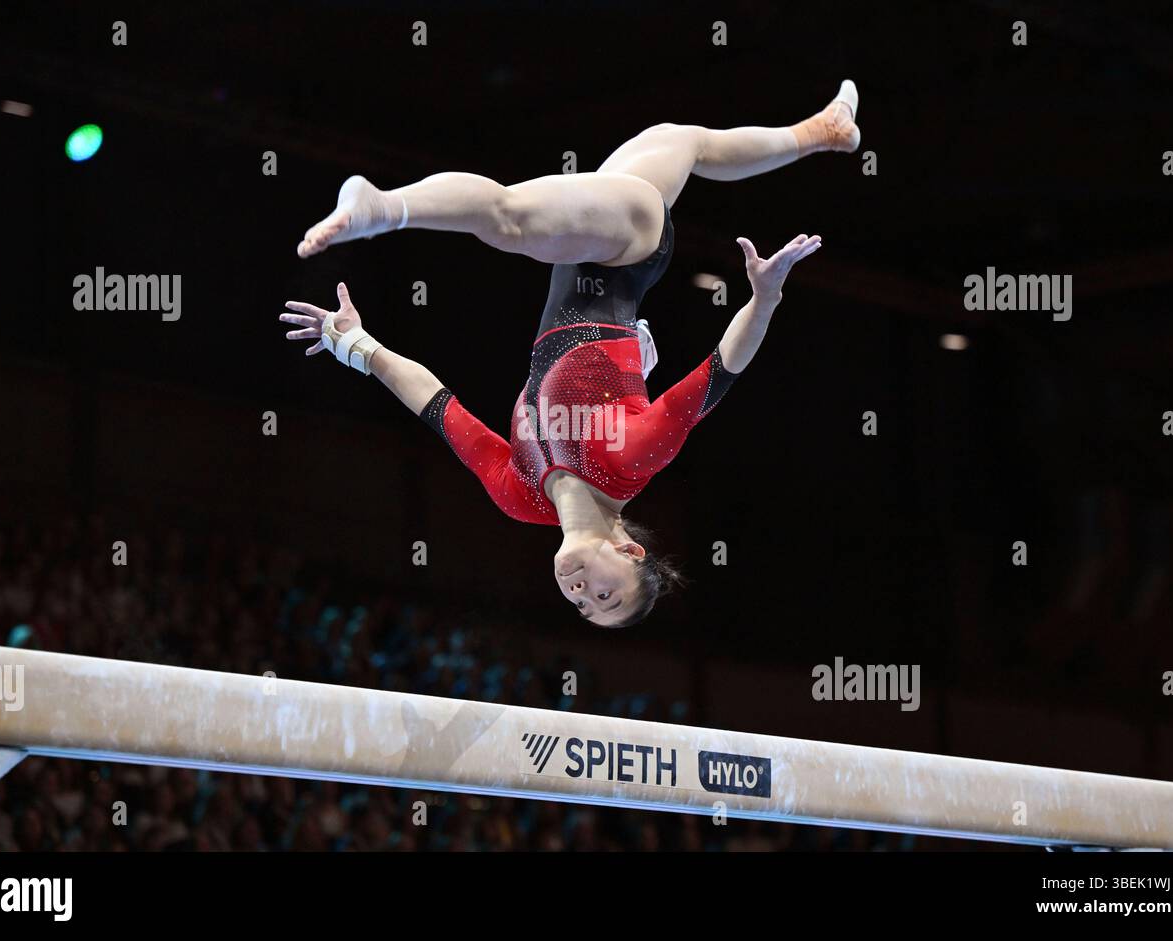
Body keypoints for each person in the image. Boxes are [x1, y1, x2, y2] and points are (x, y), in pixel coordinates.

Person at [281, 82, 861, 627]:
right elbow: (720, 373)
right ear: (629, 549)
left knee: (683, 140)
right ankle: (382, 208)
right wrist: (764, 299)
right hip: (623, 252)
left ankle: (822, 131)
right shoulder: (631, 459)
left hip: (587, 251)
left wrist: (355, 345)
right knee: (507, 219)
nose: (580, 593)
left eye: (585, 607)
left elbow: (437, 405)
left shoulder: (520, 495)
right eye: (606, 593)